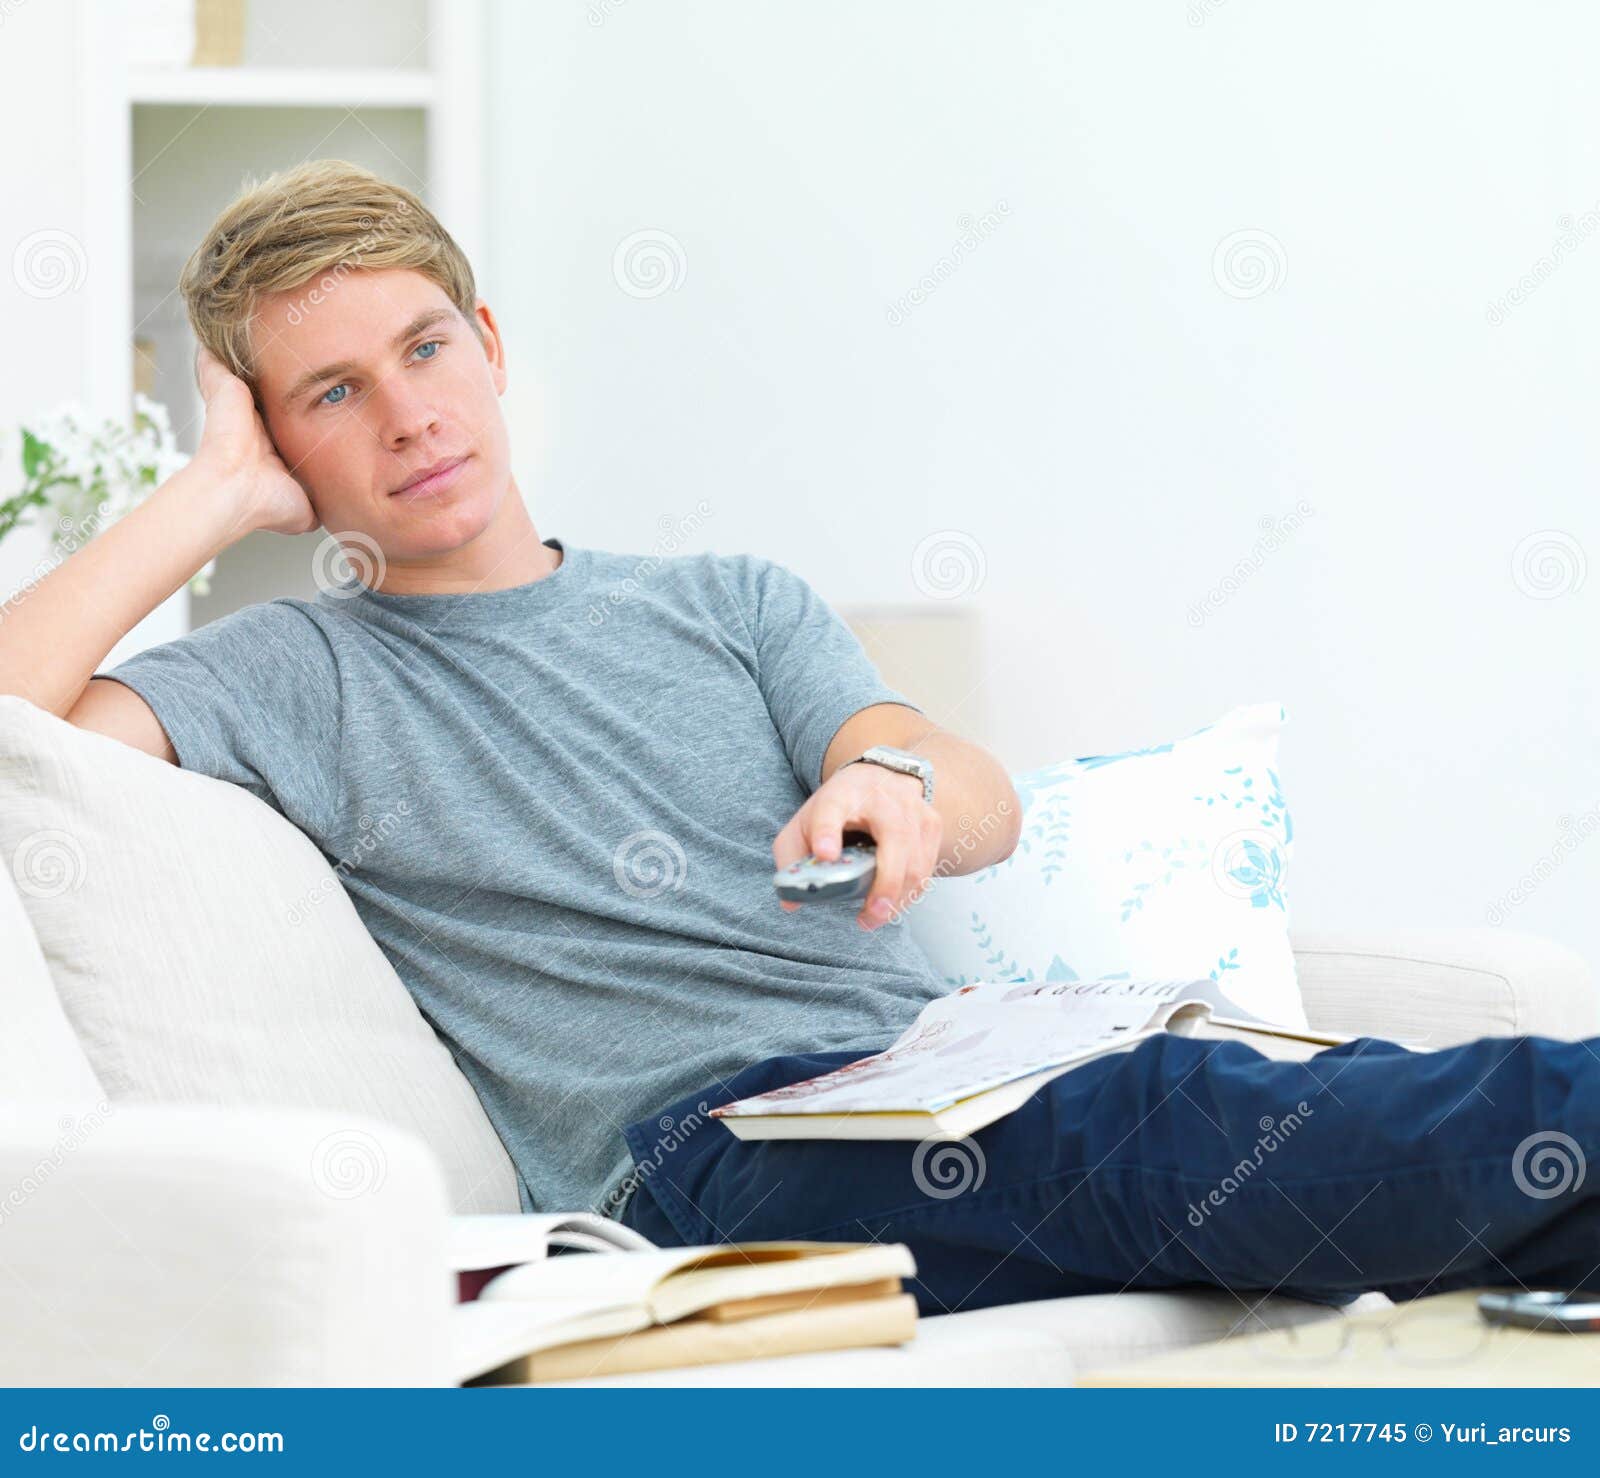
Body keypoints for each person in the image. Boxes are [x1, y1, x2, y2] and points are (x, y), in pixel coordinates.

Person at [3, 160, 1594, 1321]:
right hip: (713, 1155)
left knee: (1283, 1107)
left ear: (488, 342)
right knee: (1178, 1120)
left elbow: (961, 781)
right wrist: (206, 496)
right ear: (278, 442)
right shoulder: (289, 671)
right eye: (331, 394)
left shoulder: (728, 600)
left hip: (946, 1074)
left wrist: (888, 781)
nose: (409, 413)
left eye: (424, 348)